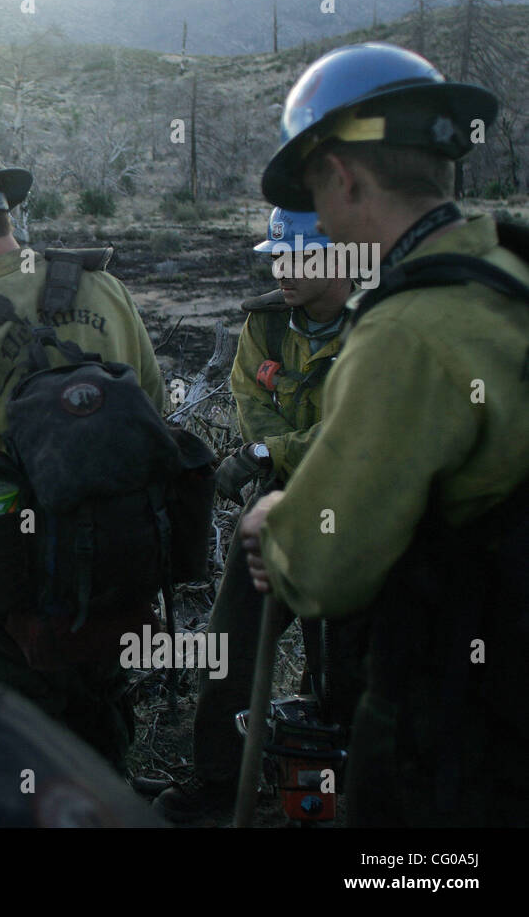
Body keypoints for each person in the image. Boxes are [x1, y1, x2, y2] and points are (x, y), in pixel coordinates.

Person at [242, 42, 529, 826]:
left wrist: (277, 528)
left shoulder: (406, 332)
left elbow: (329, 565)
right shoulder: (509, 276)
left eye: (311, 187)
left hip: (456, 736)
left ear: (341, 174)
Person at [0, 141, 164, 772]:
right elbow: (153, 410)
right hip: (122, 576)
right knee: (102, 727)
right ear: (5, 217)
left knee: (13, 754)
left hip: (18, 610)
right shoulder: (104, 290)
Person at [153, 207, 366, 824]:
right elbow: (251, 400)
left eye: (299, 255)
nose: (283, 269)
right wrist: (272, 451)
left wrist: (274, 451)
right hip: (276, 504)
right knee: (231, 642)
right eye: (278, 256)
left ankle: (349, 788)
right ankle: (221, 781)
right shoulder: (267, 324)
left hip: (358, 507)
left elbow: (357, 432)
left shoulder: (378, 326)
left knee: (356, 657)